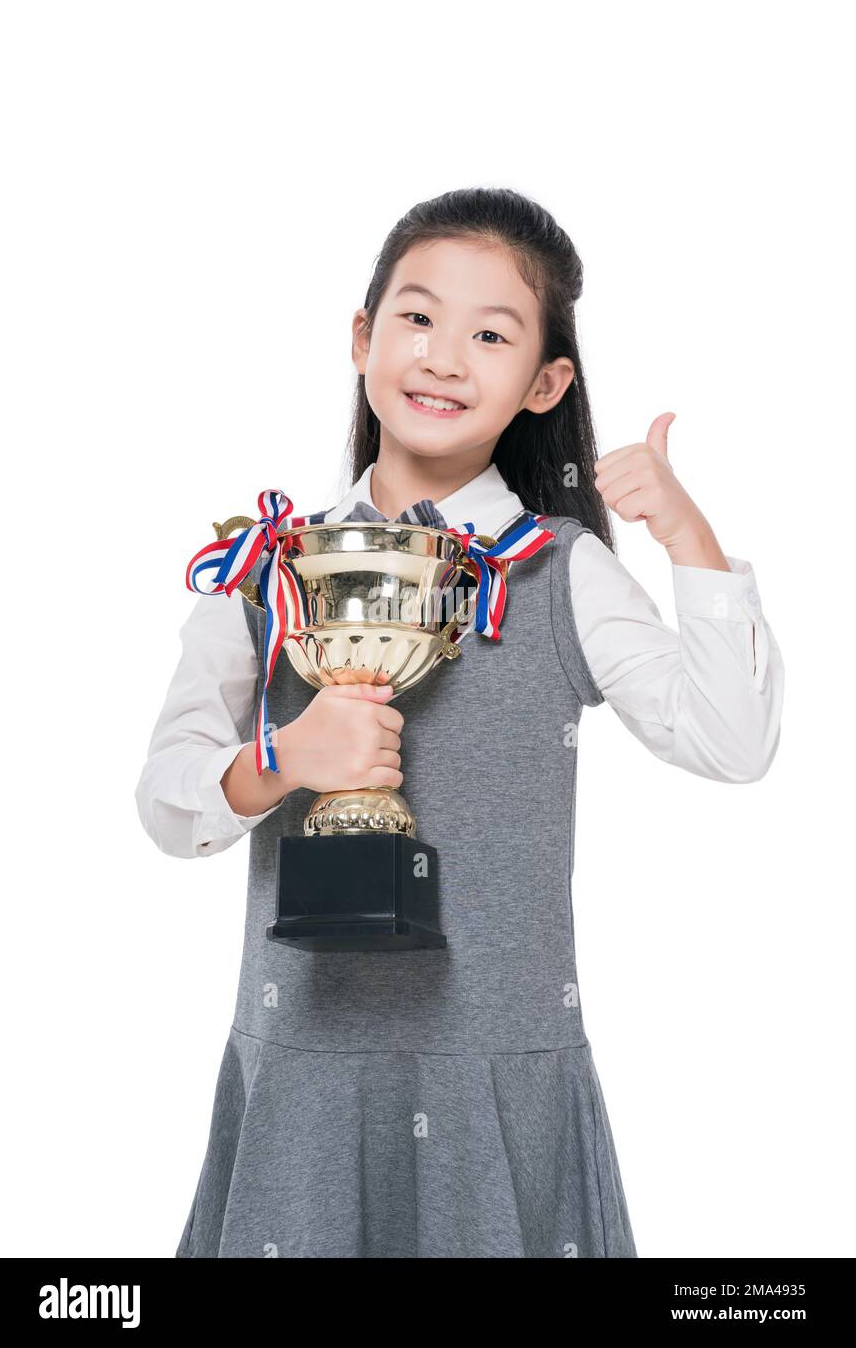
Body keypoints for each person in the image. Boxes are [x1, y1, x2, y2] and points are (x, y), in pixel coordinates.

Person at [135, 187, 784, 1258]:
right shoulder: (268, 564)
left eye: (491, 334)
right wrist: (286, 758)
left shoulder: (562, 571)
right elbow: (168, 799)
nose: (444, 357)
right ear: (363, 336)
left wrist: (688, 539)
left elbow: (733, 740)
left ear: (545, 383)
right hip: (304, 1061)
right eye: (419, 317)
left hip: (500, 1068)